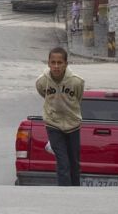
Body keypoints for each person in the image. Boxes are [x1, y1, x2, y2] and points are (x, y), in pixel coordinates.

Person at [36, 47, 85, 186]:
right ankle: (64, 193)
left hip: (73, 125)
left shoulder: (76, 82)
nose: (56, 66)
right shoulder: (42, 81)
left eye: (60, 62)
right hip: (53, 125)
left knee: (74, 163)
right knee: (63, 163)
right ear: (48, 63)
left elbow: (78, 98)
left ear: (66, 64)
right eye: (53, 62)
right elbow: (43, 93)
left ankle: (75, 190)